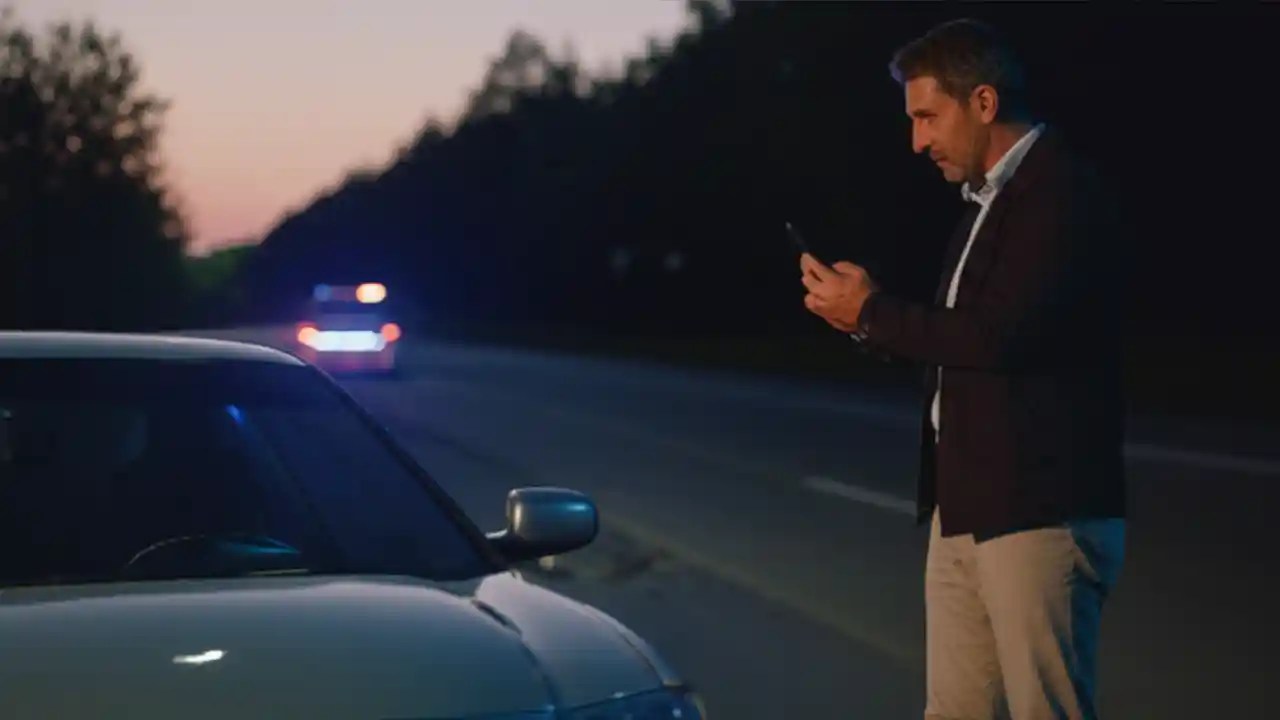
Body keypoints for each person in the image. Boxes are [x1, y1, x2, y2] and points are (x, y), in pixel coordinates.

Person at [798, 18, 1128, 720]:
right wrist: (861, 317)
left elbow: (1001, 337)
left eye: (927, 116)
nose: (917, 140)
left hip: (1039, 510)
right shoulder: (989, 203)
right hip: (967, 508)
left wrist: (872, 312)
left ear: (982, 102)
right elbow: (965, 346)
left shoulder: (1059, 192)